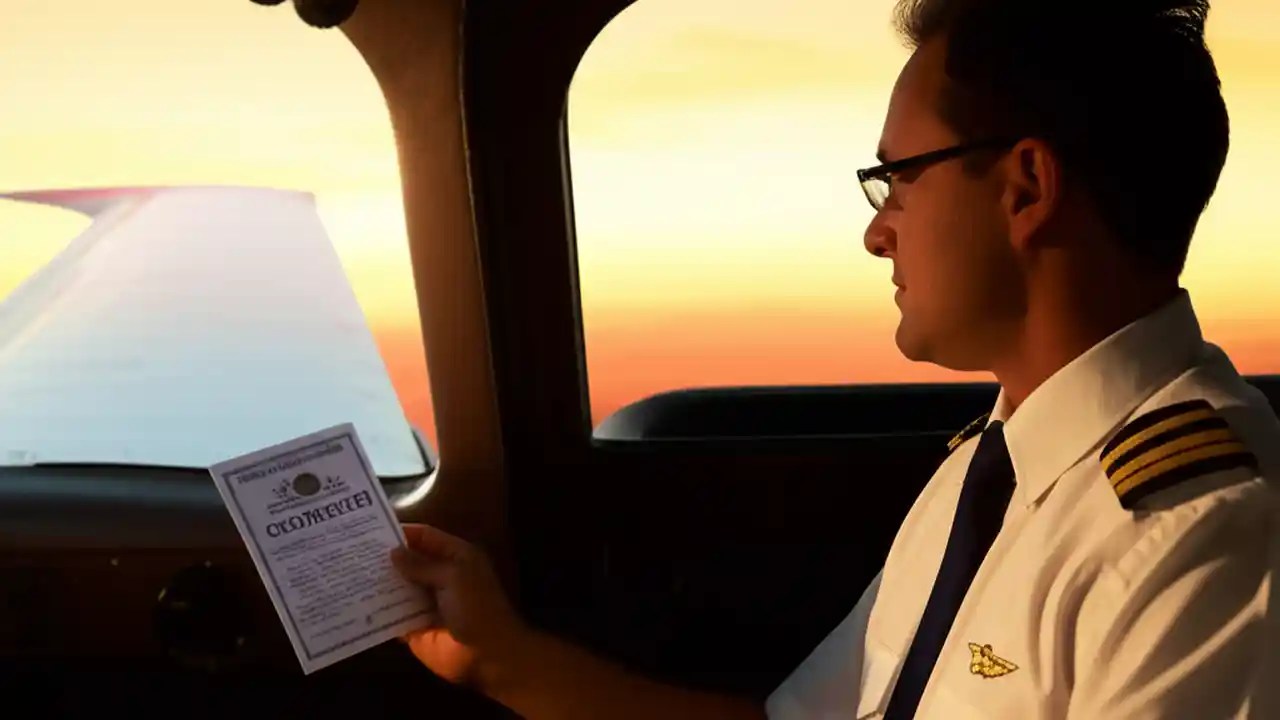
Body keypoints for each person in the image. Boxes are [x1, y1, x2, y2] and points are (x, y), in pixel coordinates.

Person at [389, 0, 1280, 716]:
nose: (876, 231)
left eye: (900, 176)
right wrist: (502, 664)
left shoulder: (1203, 539)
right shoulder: (987, 471)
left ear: (1025, 188)